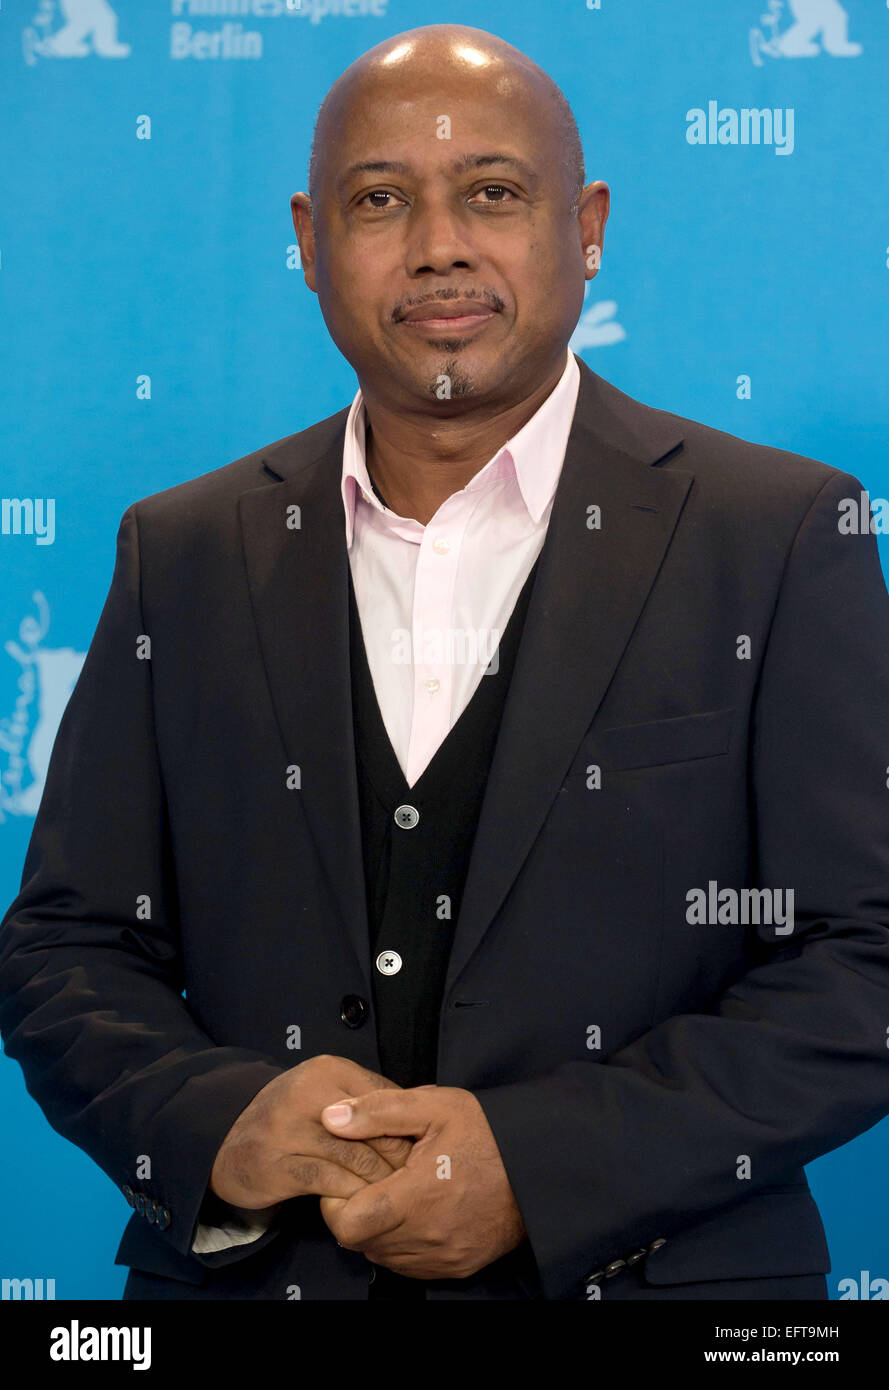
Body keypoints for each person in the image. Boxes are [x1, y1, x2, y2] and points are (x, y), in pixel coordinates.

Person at [2, 23, 889, 1302]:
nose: (437, 245)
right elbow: (63, 949)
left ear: (584, 226)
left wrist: (543, 1163)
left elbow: (863, 960)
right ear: (308, 241)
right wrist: (218, 1123)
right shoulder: (182, 553)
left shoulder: (778, 535)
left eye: (491, 191)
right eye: (380, 200)